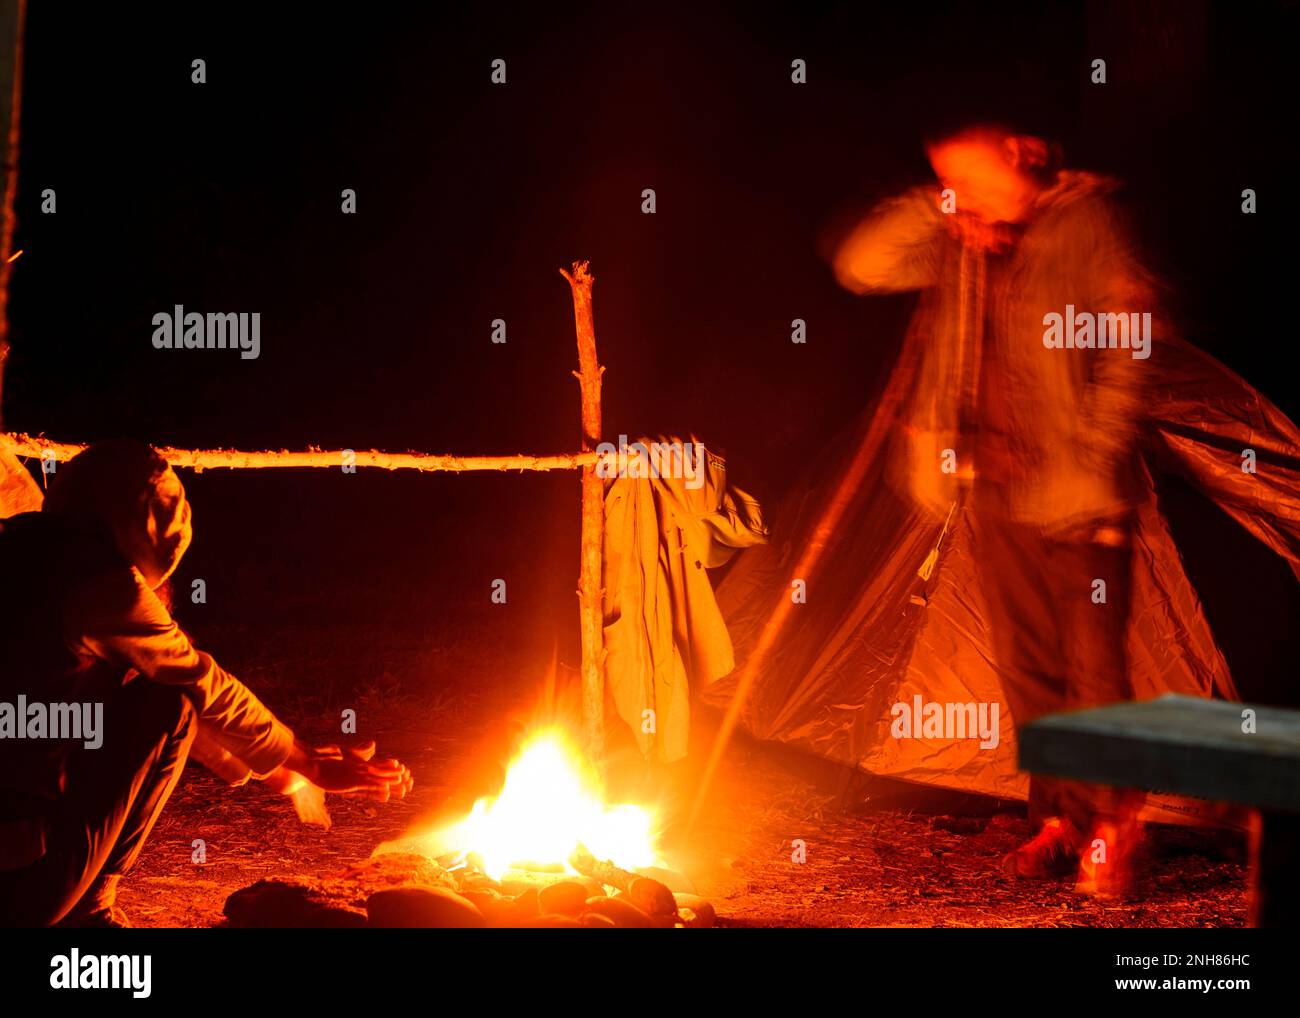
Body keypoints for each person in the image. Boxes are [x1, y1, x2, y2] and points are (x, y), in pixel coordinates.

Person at [832, 124, 1153, 894]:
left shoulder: (1086, 219)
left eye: (972, 176)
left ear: (1020, 152)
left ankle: (1115, 832)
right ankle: (1058, 821)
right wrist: (942, 207)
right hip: (997, 485)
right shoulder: (957, 234)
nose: (963, 193)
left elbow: (1128, 330)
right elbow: (859, 264)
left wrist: (1099, 448)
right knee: (1029, 668)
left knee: (1093, 673)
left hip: (1079, 491)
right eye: (948, 181)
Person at [0, 439, 413, 926]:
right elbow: (199, 686)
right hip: (21, 889)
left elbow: (188, 707)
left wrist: (288, 770)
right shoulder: (99, 588)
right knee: (167, 705)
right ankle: (90, 912)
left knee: (155, 701)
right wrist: (308, 764)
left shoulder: (21, 549)